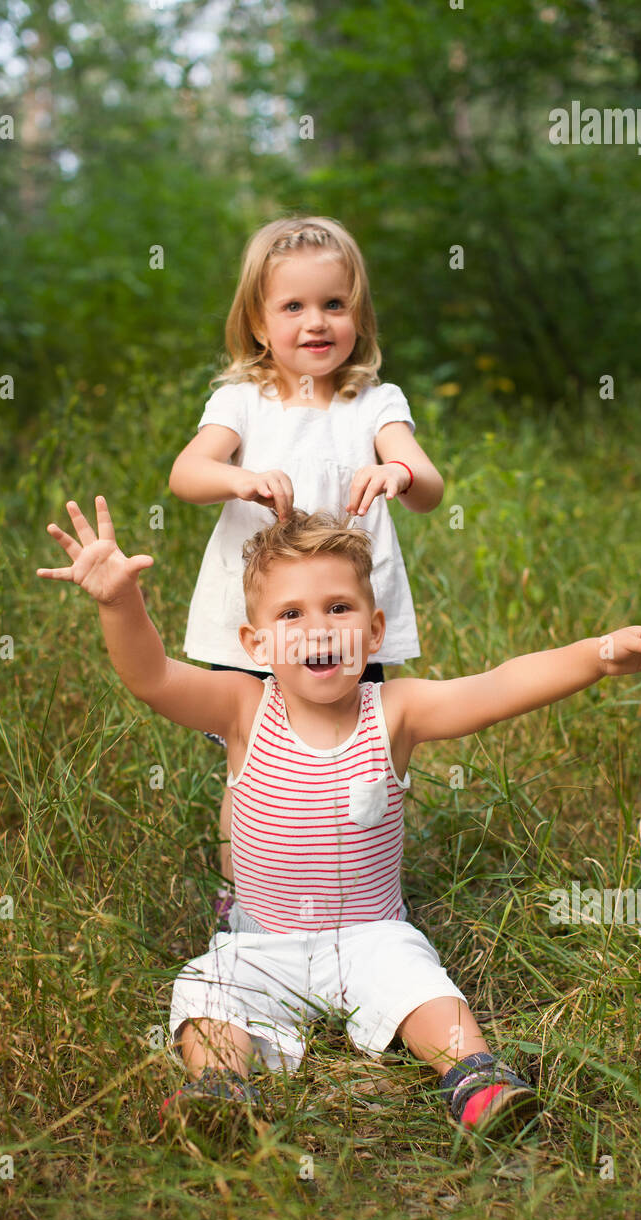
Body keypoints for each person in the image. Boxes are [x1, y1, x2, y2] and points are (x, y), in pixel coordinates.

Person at [36, 497, 641, 1140]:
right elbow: (151, 677)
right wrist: (119, 603)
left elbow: (499, 687)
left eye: (338, 608)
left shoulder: (395, 711)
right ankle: (219, 1090)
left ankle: (474, 1076)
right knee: (205, 988)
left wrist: (600, 652)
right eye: (291, 613)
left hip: (371, 935)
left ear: (374, 632)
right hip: (261, 942)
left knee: (422, 985)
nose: (318, 628)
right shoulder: (241, 708)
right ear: (254, 641)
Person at [167, 215, 444, 903]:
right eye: (293, 306)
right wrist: (238, 478)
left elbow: (428, 484)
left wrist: (398, 476)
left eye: (334, 304)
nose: (316, 322)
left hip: (347, 620)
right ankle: (244, 895)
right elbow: (186, 473)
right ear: (259, 323)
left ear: (359, 314)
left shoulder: (376, 402)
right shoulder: (241, 402)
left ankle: (360, 882)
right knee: (253, 755)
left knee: (356, 748)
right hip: (260, 617)